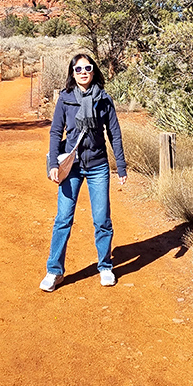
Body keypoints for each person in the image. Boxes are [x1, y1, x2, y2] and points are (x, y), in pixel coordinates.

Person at [40, 52, 127, 292]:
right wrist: (53, 165)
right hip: (73, 166)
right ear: (72, 73)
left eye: (87, 68)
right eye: (78, 69)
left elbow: (114, 134)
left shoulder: (104, 99)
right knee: (63, 219)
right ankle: (54, 271)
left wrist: (120, 166)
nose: (83, 72)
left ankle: (105, 266)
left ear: (94, 71)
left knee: (102, 220)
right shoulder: (65, 98)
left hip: (98, 166)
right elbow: (56, 132)